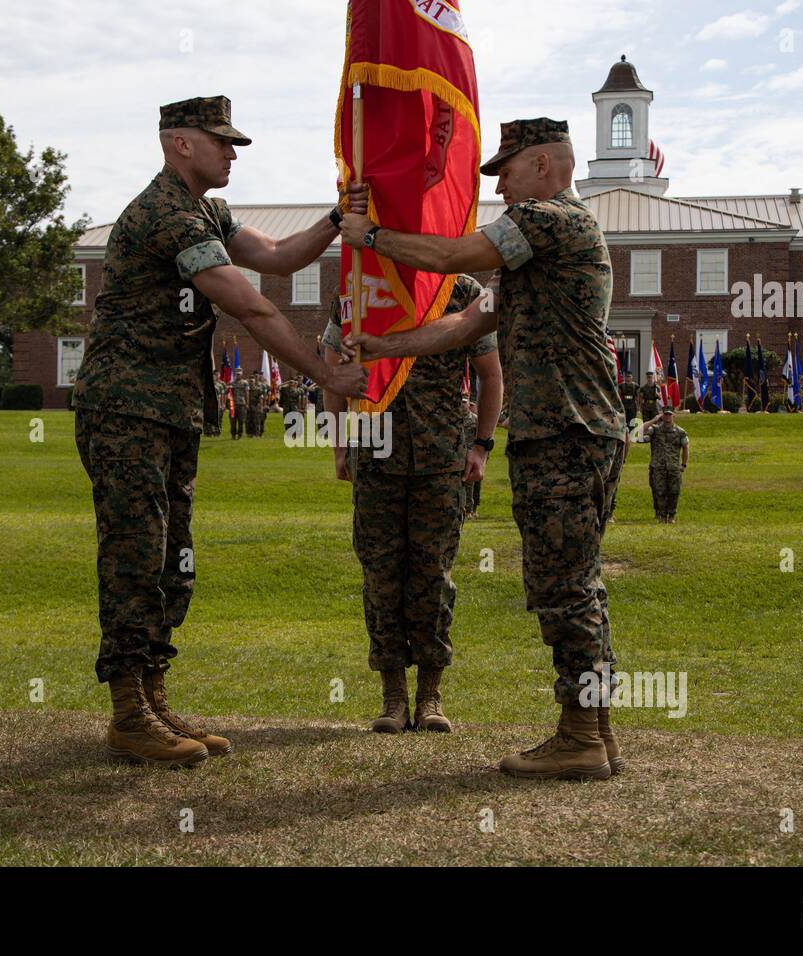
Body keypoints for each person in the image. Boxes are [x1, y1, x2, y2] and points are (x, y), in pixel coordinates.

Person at [71, 95, 367, 767]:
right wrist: (328, 375)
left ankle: (152, 699)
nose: (233, 153)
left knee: (174, 558)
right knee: (134, 559)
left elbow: (281, 259)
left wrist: (335, 217)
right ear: (181, 144)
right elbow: (253, 307)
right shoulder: (165, 215)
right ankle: (127, 714)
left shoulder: (206, 210)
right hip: (126, 410)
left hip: (168, 411)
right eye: (222, 141)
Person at [342, 117, 626, 780]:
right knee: (567, 583)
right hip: (561, 431)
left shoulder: (553, 220)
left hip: (566, 431)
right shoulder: (539, 248)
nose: (497, 186)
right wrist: (389, 347)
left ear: (547, 168)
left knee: (567, 587)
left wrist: (372, 236)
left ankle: (583, 733)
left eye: (507, 170)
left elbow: (448, 259)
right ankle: (592, 733)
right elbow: (470, 322)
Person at [323, 275, 502, 735]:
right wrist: (339, 444)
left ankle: (429, 695)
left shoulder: (462, 291)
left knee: (432, 576)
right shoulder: (360, 283)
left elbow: (490, 374)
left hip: (440, 457)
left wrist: (481, 445)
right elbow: (332, 368)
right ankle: (392, 697)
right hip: (375, 453)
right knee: (381, 576)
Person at [645, 408, 688, 523]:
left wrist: (683, 464)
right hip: (658, 466)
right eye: (665, 415)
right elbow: (638, 435)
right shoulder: (654, 430)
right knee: (659, 491)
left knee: (674, 491)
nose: (668, 417)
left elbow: (685, 448)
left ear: (673, 415)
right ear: (662, 416)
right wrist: (653, 420)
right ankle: (661, 515)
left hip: (673, 467)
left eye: (670, 415)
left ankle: (671, 515)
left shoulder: (680, 432)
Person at [229, 372, 247, 440]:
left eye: (239, 374)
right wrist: (229, 388)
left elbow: (246, 393)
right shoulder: (232, 383)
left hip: (241, 404)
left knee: (241, 421)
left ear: (241, 375)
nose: (238, 375)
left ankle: (240, 434)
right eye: (237, 374)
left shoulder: (244, 383)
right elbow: (227, 392)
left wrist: (247, 403)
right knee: (233, 421)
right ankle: (233, 435)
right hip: (233, 405)